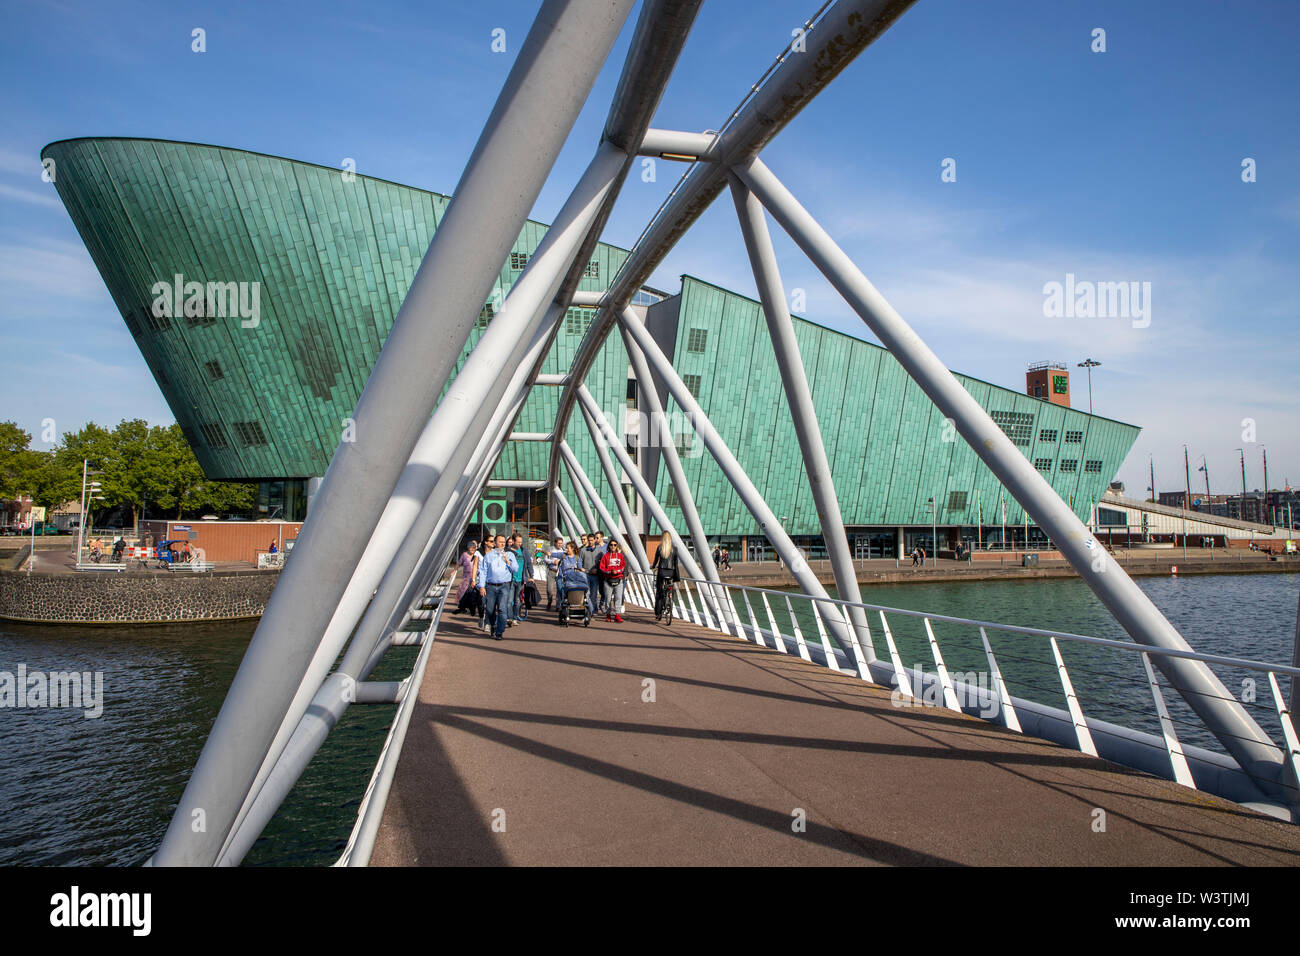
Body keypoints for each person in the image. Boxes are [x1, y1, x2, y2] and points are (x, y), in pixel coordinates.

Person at [477, 534, 517, 640]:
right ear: (495, 543)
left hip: (504, 586)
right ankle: (493, 627)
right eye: (500, 541)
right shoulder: (488, 556)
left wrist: (508, 561)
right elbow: (483, 571)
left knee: (502, 609)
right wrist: (481, 586)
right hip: (490, 586)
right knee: (490, 609)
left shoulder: (509, 554)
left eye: (504, 541)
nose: (502, 543)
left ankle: (499, 632)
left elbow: (515, 569)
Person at [651, 532, 681, 620]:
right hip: (670, 572)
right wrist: (676, 575)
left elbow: (656, 559)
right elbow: (675, 563)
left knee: (659, 592)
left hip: (661, 572)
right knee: (669, 587)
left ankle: (658, 612)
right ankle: (669, 598)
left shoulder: (660, 548)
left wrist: (653, 566)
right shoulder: (674, 549)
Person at [599, 540, 627, 622]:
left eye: (615, 545)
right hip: (608, 580)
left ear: (617, 546)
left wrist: (617, 571)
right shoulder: (605, 556)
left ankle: (617, 615)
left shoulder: (620, 556)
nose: (613, 546)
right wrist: (609, 571)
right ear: (609, 546)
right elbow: (602, 567)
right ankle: (608, 614)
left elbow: (623, 566)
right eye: (611, 545)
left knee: (618, 597)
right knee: (608, 598)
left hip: (618, 579)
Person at [580, 533, 601, 616]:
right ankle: (588, 610)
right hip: (586, 575)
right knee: (587, 593)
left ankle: (594, 610)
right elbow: (579, 562)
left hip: (595, 576)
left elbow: (602, 563)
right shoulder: (583, 550)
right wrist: (581, 569)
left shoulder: (599, 551)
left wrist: (598, 569)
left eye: (592, 540)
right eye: (589, 540)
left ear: (595, 540)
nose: (590, 542)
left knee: (594, 594)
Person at [508, 533, 527, 626]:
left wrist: (530, 576)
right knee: (509, 600)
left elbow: (528, 564)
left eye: (521, 542)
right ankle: (509, 617)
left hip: (520, 579)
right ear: (513, 541)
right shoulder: (508, 551)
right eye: (518, 542)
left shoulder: (523, 550)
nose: (520, 544)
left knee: (517, 600)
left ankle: (515, 618)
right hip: (511, 579)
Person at [455, 540, 478, 614]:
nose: (472, 550)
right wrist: (455, 570)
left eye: (473, 548)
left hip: (475, 577)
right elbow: (459, 563)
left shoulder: (477, 555)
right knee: (463, 592)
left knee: (473, 593)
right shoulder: (464, 555)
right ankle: (462, 607)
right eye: (470, 548)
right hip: (466, 577)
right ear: (468, 548)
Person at [544, 535, 564, 610]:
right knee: (550, 589)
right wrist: (552, 561)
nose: (560, 545)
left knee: (559, 589)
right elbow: (545, 559)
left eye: (561, 543)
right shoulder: (550, 549)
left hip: (559, 572)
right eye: (559, 543)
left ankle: (558, 606)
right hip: (551, 571)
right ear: (555, 543)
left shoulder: (563, 550)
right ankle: (549, 600)